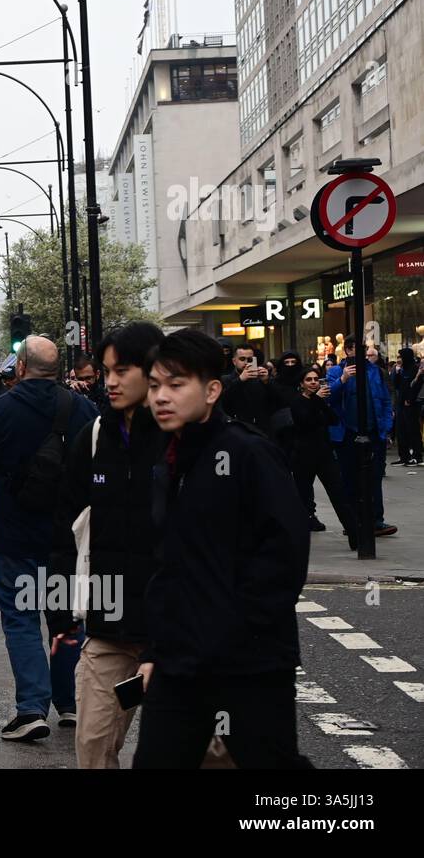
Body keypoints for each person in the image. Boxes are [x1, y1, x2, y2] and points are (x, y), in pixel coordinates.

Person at [133, 330, 311, 769]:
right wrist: (155, 650)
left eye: (176, 385)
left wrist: (235, 630)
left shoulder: (249, 453)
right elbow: (166, 564)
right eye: (155, 385)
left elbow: (284, 558)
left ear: (212, 390)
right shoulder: (168, 457)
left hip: (249, 666)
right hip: (179, 664)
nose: (161, 396)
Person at [0, 336, 98, 741]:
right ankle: (70, 705)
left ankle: (31, 709)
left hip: (18, 537)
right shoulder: (83, 408)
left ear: (19, 368)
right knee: (67, 621)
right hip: (69, 541)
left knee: (21, 619)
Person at [48, 322, 163, 768]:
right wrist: (60, 612)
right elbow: (65, 526)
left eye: (123, 370)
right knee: (94, 744)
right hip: (109, 626)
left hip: (171, 629)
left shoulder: (182, 438)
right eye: (106, 370)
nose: (111, 381)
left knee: (193, 751)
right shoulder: (95, 437)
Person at [326, 335, 395, 538]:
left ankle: (376, 520)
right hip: (346, 433)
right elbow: (329, 396)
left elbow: (384, 400)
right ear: (347, 350)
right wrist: (343, 379)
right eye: (355, 348)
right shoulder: (335, 372)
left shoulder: (376, 371)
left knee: (374, 477)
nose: (360, 353)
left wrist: (386, 427)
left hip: (373, 432)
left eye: (363, 348)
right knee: (349, 478)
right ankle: (353, 521)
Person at [280, 364, 358, 538]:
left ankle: (355, 534)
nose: (313, 383)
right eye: (309, 380)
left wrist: (320, 401)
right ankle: (295, 534)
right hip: (303, 456)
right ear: (301, 383)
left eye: (316, 379)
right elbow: (305, 422)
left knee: (339, 494)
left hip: (324, 454)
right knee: (302, 497)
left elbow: (333, 419)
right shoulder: (297, 401)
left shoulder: (318, 401)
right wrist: (316, 400)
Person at [220, 342, 281, 432]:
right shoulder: (225, 379)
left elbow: (276, 402)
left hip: (260, 429)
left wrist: (266, 382)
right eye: (242, 359)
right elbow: (223, 402)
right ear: (234, 361)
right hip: (236, 429)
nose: (246, 362)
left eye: (249, 359)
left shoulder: (260, 378)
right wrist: (240, 380)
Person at [391, 346, 423, 466]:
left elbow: (416, 385)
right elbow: (396, 385)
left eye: (401, 357)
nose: (399, 359)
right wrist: (397, 373)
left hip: (410, 405)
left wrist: (410, 399)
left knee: (412, 430)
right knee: (401, 431)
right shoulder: (401, 369)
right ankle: (403, 456)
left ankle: (417, 456)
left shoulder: (414, 369)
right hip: (401, 404)